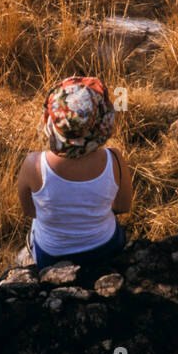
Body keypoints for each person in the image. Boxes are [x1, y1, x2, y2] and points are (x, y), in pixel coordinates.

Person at [16, 76, 132, 270]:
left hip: (52, 256)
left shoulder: (33, 164)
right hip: (105, 248)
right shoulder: (114, 159)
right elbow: (123, 206)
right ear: (99, 122)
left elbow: (30, 212)